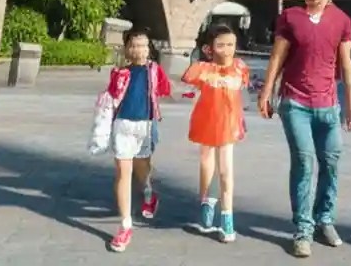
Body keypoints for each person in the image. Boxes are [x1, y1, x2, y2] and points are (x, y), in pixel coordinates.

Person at [258, 0, 351, 258]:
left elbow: (346, 65)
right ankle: (303, 229)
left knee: (331, 162)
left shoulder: (342, 20)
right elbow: (277, 57)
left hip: (328, 106)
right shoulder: (290, 17)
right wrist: (266, 92)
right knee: (304, 161)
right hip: (295, 103)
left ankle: (324, 219)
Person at [104, 27, 174, 253]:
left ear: (148, 49)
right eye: (134, 45)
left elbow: (165, 89)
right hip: (122, 125)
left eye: (143, 45)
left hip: (145, 126)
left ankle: (148, 193)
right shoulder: (119, 72)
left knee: (142, 168)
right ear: (127, 49)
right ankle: (125, 225)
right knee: (122, 172)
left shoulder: (154, 70)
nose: (139, 50)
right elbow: (112, 96)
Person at [182, 24, 251, 243]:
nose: (227, 50)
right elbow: (186, 83)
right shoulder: (202, 69)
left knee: (225, 170)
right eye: (221, 45)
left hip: (228, 123)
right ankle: (207, 205)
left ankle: (227, 217)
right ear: (209, 48)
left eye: (231, 44)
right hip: (206, 120)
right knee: (206, 165)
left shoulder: (240, 67)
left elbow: (242, 90)